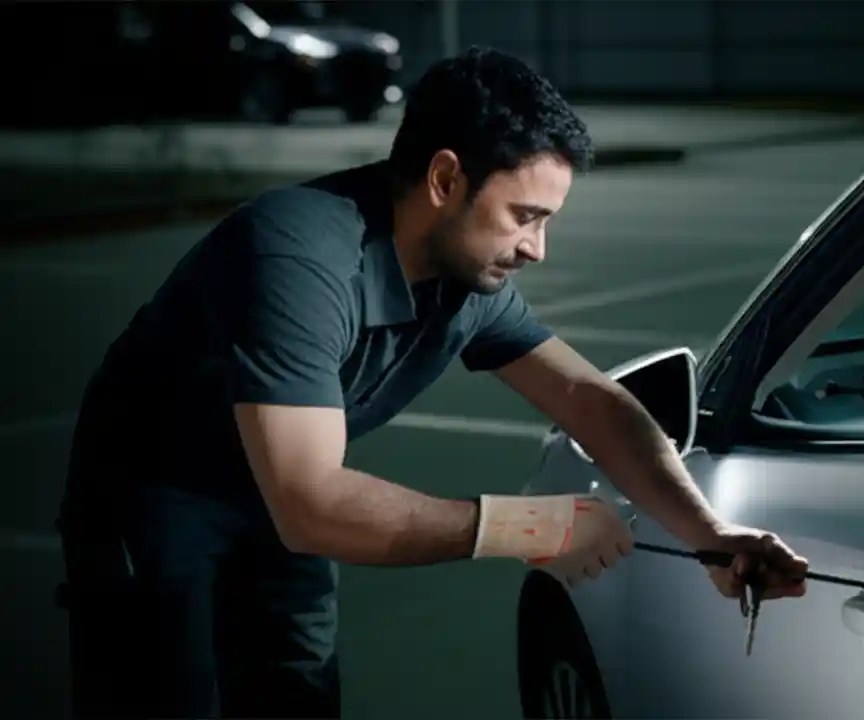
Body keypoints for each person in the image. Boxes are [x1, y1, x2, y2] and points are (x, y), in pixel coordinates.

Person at [55, 46, 808, 719]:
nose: (537, 248)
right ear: (446, 177)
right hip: (155, 492)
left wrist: (712, 534)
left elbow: (591, 400)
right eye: (525, 215)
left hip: (275, 493)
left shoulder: (464, 282)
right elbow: (312, 503)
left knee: (296, 693)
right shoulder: (296, 255)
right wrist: (538, 528)